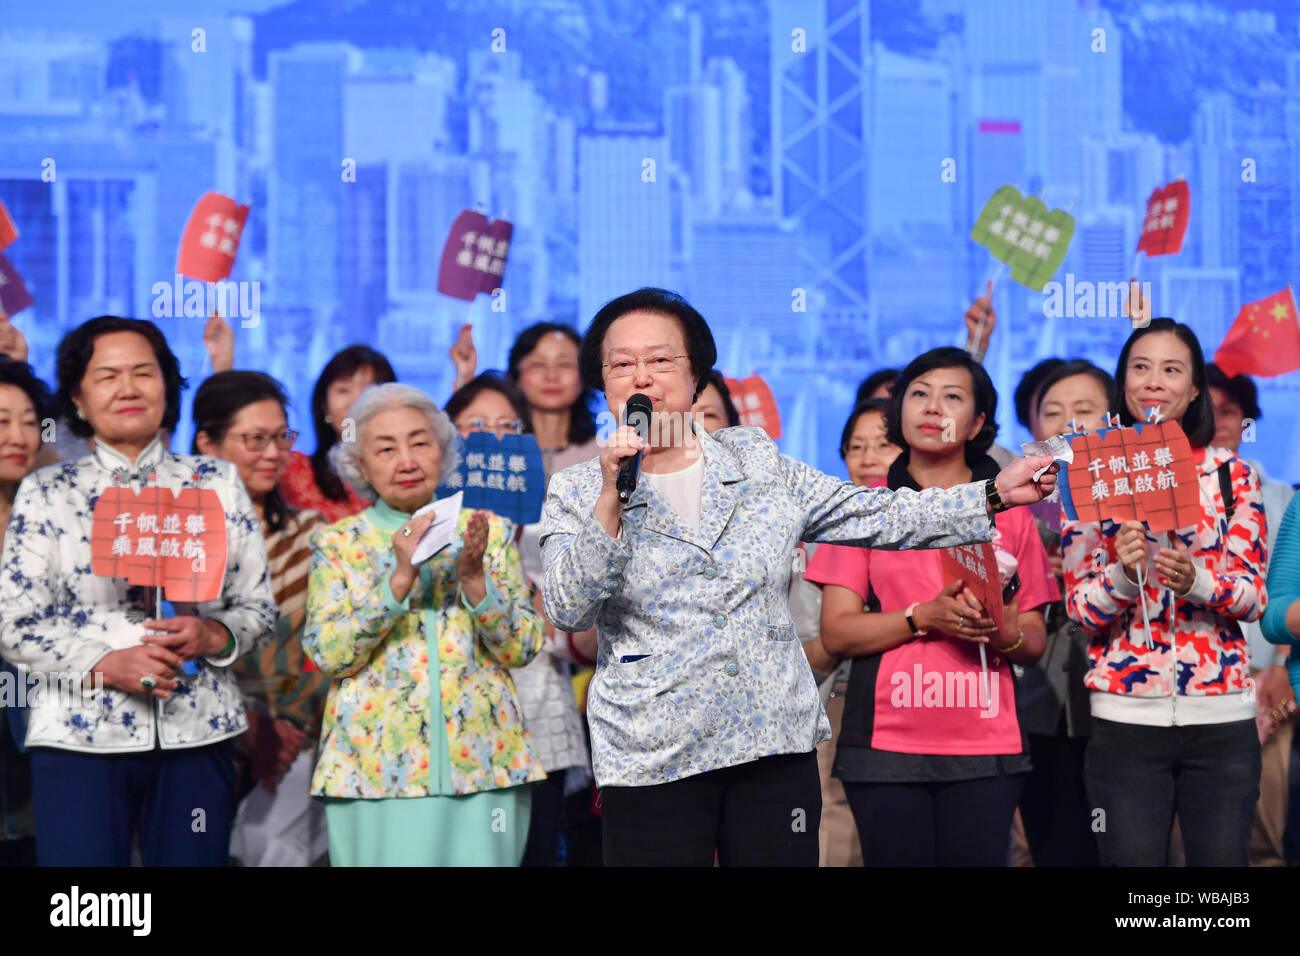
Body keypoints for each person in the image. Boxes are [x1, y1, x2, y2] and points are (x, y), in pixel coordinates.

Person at [538, 288, 1059, 867]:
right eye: (622, 364)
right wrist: (611, 499)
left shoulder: (756, 463)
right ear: (605, 383)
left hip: (769, 737)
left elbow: (878, 513)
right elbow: (567, 607)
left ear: (696, 378)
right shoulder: (580, 489)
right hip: (652, 746)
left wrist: (993, 494)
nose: (642, 377)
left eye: (661, 360)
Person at [0, 316, 276, 866]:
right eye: (107, 375)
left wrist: (213, 632)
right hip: (78, 740)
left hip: (196, 734)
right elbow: (15, 625)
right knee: (86, 909)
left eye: (143, 373)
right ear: (78, 397)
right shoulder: (48, 491)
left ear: (167, 387)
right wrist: (108, 662)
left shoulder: (215, 482)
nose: (128, 387)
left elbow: (258, 608)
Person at [802, 348, 1056, 866]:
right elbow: (838, 633)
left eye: (953, 396)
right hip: (885, 745)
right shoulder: (863, 507)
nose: (933, 407)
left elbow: (1033, 639)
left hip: (987, 746)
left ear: (979, 421)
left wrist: (997, 631)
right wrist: (923, 617)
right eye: (919, 393)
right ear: (897, 409)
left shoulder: (1012, 510)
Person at [303, 382, 544, 866]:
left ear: (443, 449)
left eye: (419, 442)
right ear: (360, 465)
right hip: (372, 772)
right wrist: (398, 580)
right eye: (385, 448)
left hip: (485, 763)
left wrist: (475, 582)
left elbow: (523, 646)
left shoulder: (487, 531)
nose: (406, 460)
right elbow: (329, 653)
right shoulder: (338, 543)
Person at [1062, 318, 1266, 867]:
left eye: (1172, 369)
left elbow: (1253, 599)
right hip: (1125, 720)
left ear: (1195, 388)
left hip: (1221, 718)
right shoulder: (1092, 472)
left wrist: (1195, 580)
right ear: (1122, 380)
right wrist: (1126, 578)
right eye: (1141, 367)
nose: (1154, 381)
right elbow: (1079, 609)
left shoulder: (1232, 476)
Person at [445, 373, 594, 867]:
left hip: (533, 706)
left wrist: (518, 578)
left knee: (534, 850)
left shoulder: (549, 510)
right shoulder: (429, 516)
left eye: (509, 425)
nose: (495, 438)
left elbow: (570, 615)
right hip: (452, 717)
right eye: (478, 425)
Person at [191, 371, 329, 867]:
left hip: (302, 749)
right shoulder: (178, 542)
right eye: (255, 440)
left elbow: (333, 647)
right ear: (206, 442)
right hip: (201, 744)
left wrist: (290, 728)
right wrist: (247, 726)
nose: (273, 453)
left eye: (282, 437)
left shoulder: (310, 534)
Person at [1015, 359, 1115, 867]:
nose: (1067, 423)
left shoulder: (1137, 496)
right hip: (1039, 699)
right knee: (1053, 842)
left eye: (1084, 410)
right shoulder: (1019, 500)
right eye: (1052, 412)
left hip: (1119, 703)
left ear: (1114, 419)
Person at [795, 396, 901, 866]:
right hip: (837, 692)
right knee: (833, 806)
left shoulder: (928, 521)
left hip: (915, 692)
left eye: (882, 444)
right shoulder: (820, 530)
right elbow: (814, 636)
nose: (867, 456)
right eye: (855, 446)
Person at [1206, 362, 1295, 866]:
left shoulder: (1282, 497)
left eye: (1230, 411)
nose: (1217, 420)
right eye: (1207, 410)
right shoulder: (1168, 497)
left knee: (1262, 840)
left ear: (1248, 420)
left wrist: (1282, 667)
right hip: (1188, 683)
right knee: (1182, 839)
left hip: (1265, 681)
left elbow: (1292, 589)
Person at [0, 359, 51, 865]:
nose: (18, 435)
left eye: (30, 420)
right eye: (1, 421)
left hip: (48, 770)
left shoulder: (56, 526)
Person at [281, 345, 397, 523]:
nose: (356, 403)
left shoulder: (407, 471)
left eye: (369, 391)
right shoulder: (294, 471)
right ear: (324, 404)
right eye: (343, 390)